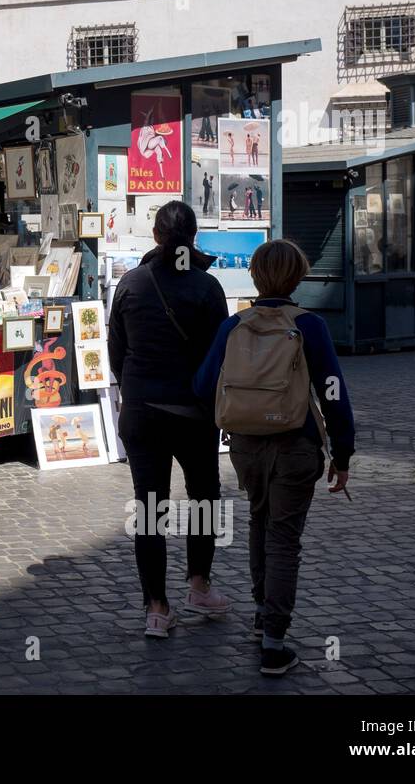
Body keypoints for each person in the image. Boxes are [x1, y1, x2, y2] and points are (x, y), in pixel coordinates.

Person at [193, 239, 355, 676]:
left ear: (255, 275)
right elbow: (333, 392)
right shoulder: (310, 325)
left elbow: (203, 383)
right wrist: (343, 454)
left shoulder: (235, 325)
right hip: (295, 444)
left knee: (259, 523)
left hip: (245, 444)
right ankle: (274, 641)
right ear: (299, 275)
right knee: (284, 538)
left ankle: (263, 614)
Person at [108, 200, 231, 638]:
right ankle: (198, 584)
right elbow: (221, 358)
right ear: (193, 236)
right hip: (193, 414)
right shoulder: (207, 287)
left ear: (156, 235)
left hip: (141, 412)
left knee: (149, 508)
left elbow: (116, 354)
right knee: (202, 500)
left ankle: (157, 609)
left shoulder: (131, 283)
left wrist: (138, 390)